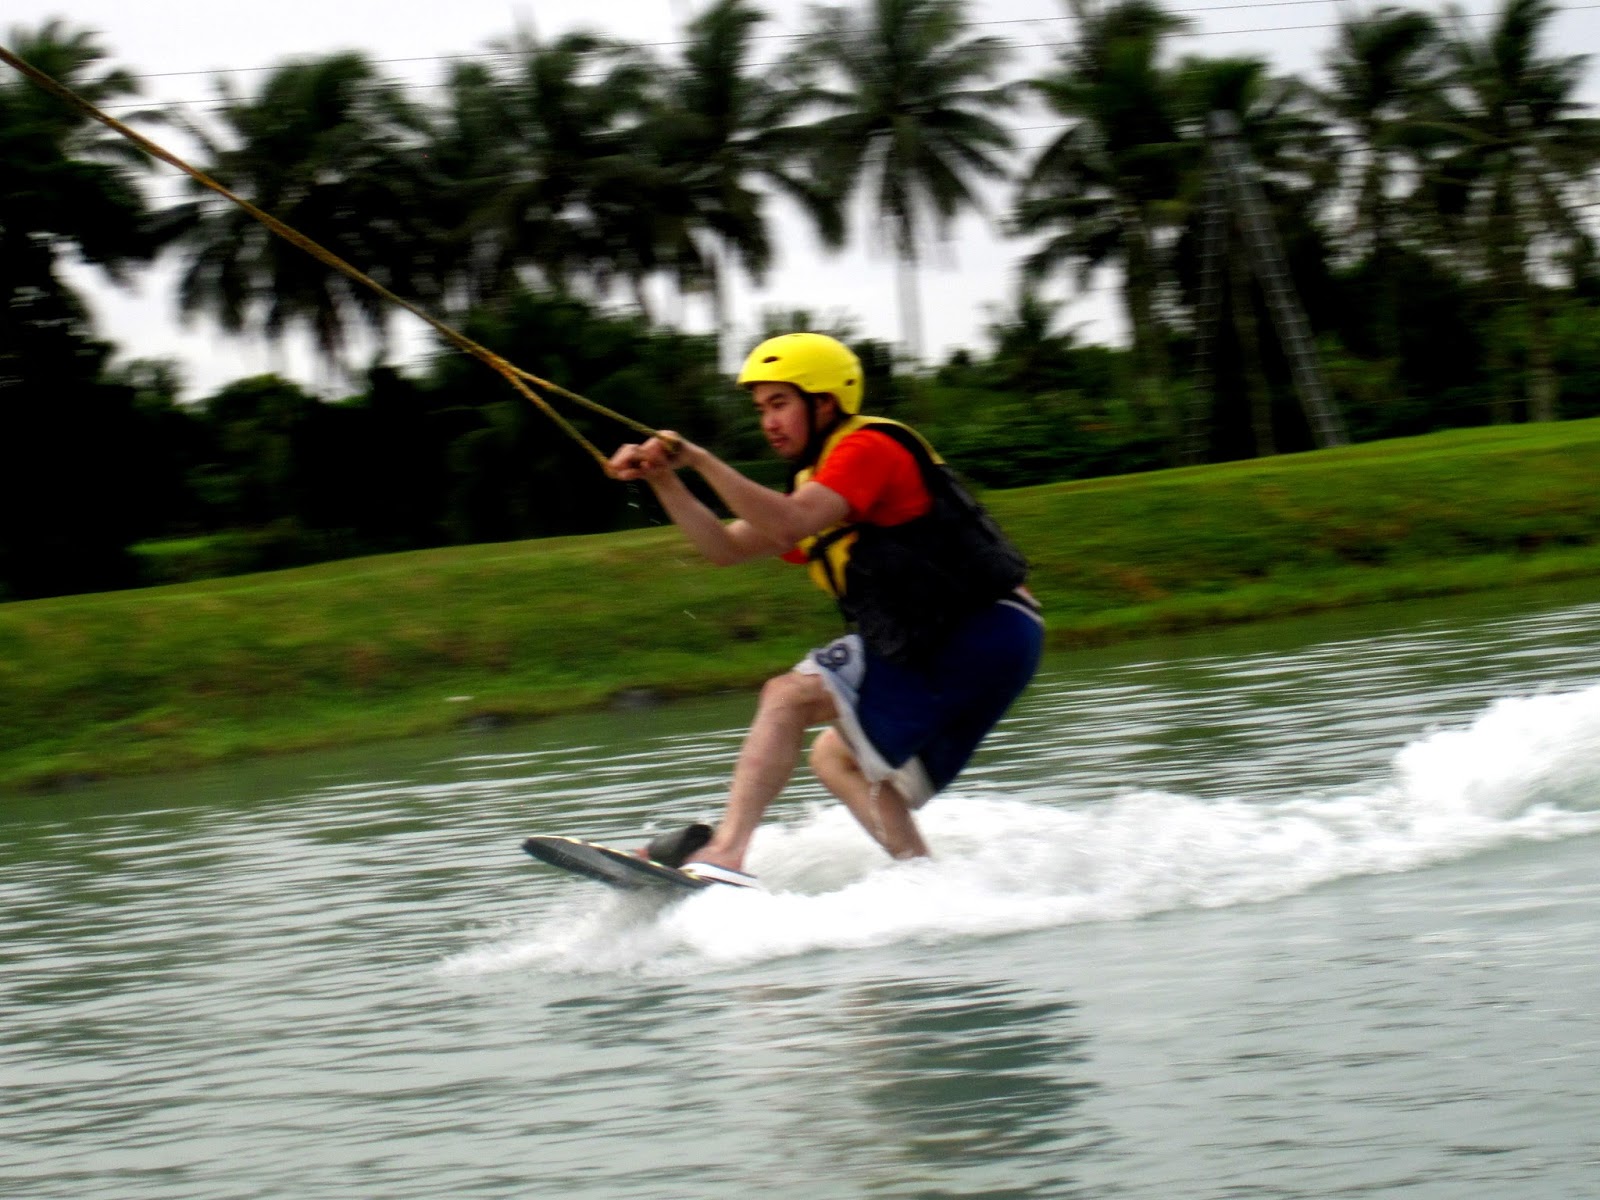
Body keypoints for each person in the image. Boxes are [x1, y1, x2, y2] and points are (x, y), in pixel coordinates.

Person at [608, 332, 1044, 887]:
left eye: (780, 404)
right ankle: (927, 884)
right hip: (961, 640)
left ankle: (726, 852)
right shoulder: (820, 487)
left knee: (787, 695)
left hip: (973, 630)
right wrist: (665, 479)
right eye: (761, 408)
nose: (768, 422)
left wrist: (697, 457)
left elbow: (789, 521)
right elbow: (725, 547)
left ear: (825, 402)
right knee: (834, 758)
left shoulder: (867, 450)